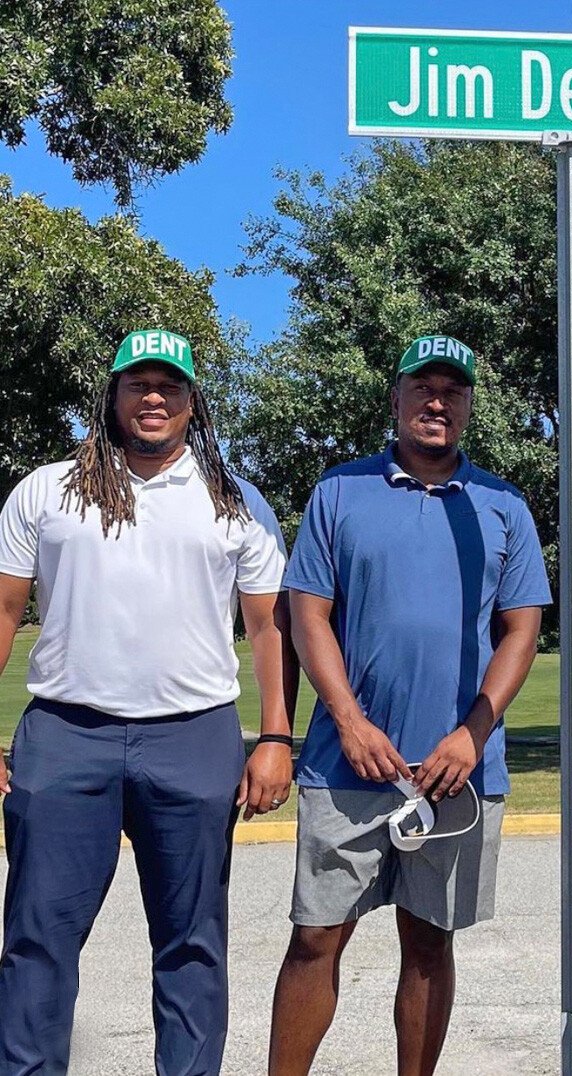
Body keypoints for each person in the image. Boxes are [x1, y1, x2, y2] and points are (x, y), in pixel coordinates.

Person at [0, 329, 295, 1075]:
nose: (154, 397)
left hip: (193, 737)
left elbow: (268, 627)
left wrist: (275, 737)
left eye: (170, 386)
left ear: (193, 403)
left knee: (191, 943)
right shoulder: (47, 489)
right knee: (37, 940)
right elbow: (3, 612)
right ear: (113, 394)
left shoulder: (235, 500)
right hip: (67, 735)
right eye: (139, 383)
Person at [268, 335, 551, 1076]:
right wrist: (350, 720)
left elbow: (521, 630)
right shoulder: (339, 491)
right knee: (315, 939)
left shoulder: (502, 505)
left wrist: (472, 732)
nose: (436, 402)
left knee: (430, 943)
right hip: (346, 764)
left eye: (452, 391)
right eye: (421, 388)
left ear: (468, 407)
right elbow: (308, 616)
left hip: (456, 772)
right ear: (394, 400)